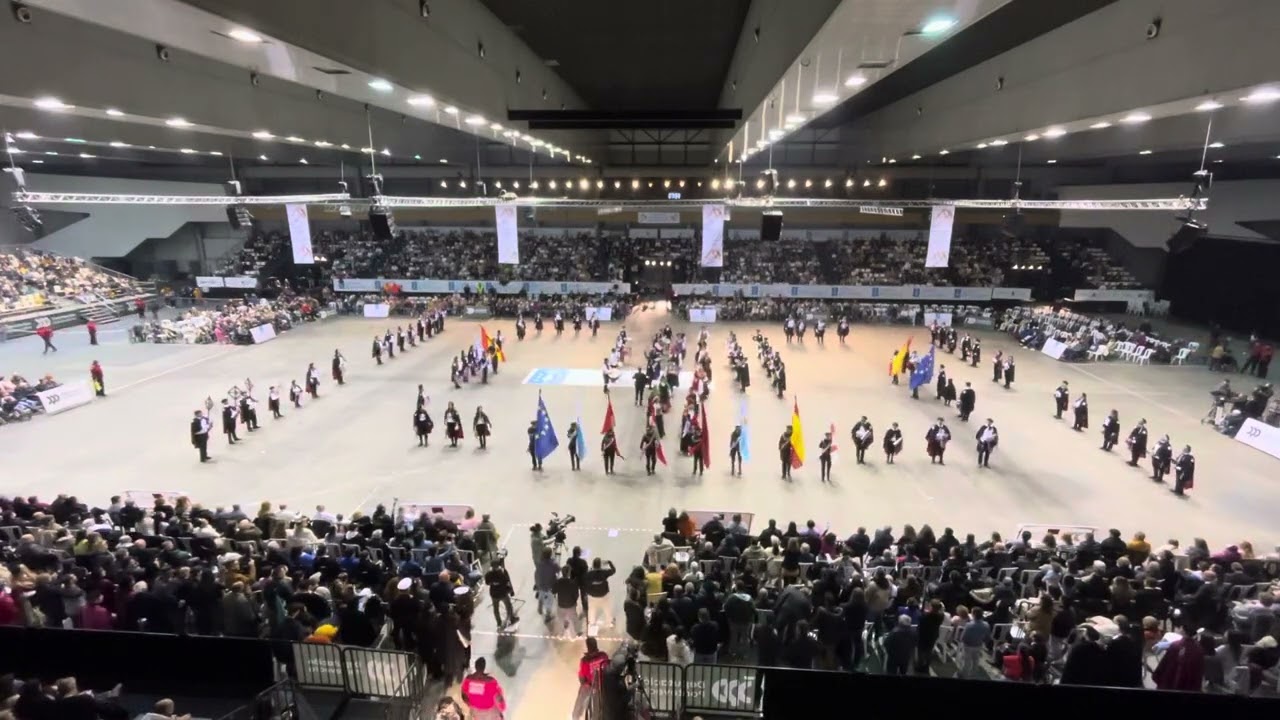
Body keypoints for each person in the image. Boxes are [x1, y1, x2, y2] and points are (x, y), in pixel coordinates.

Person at [584, 558, 617, 631]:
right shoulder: (604, 572)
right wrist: (609, 562)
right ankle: (610, 622)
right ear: (600, 565)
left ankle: (592, 624)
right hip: (603, 596)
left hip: (592, 597)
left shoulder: (588, 574)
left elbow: (585, 584)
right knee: (607, 609)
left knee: (592, 610)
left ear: (593, 565)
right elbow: (613, 570)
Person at [483, 559, 517, 630]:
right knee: (508, 606)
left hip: (493, 594)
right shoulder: (502, 572)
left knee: (496, 609)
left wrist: (493, 583)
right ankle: (512, 618)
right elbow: (507, 582)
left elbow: (487, 583)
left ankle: (499, 622)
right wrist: (511, 590)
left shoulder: (488, 574)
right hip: (503, 593)